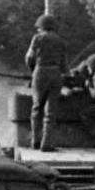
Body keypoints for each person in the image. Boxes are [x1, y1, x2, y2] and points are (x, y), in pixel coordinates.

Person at [24, 14, 68, 151]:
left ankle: (35, 141)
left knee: (37, 108)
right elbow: (64, 65)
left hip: (40, 72)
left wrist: (33, 71)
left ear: (41, 27)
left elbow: (29, 58)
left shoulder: (37, 38)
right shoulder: (60, 41)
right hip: (55, 73)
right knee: (50, 112)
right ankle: (47, 143)